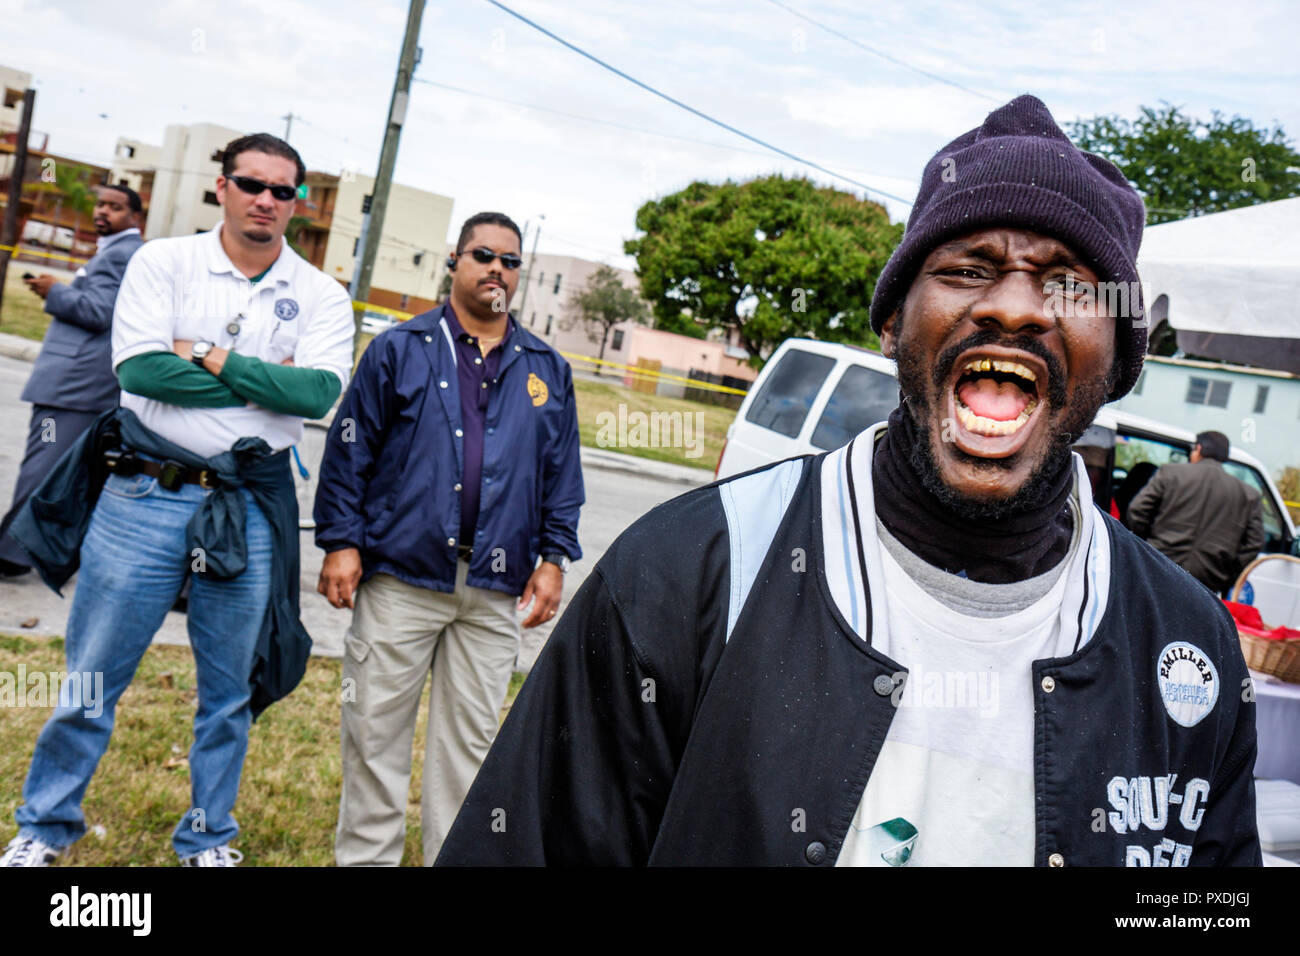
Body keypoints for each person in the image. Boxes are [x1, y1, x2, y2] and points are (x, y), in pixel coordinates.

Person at [436, 95, 1260, 867]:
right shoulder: (685, 572)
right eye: (969, 268)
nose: (1015, 308)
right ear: (895, 317)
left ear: (1118, 358)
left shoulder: (1191, 648)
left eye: (1071, 284)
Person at [1, 133, 355, 868]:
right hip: (142, 495)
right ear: (221, 187)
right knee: (92, 678)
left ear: (298, 203)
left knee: (228, 692)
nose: (265, 199)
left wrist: (206, 352)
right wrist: (262, 378)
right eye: (251, 183)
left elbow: (317, 391)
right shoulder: (165, 261)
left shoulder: (320, 294)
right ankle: (44, 825)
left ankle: (206, 837)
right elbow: (140, 369)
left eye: (282, 190)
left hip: (248, 508)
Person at [314, 211, 584, 866]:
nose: (498, 269)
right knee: (374, 739)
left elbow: (560, 474)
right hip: (402, 580)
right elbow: (350, 451)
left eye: (511, 260)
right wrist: (341, 542)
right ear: (454, 261)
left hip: (494, 593)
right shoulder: (399, 349)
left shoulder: (546, 367)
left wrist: (553, 558)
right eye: (484, 255)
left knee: (471, 753)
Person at [0, 184, 144, 576]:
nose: (103, 212)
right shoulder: (113, 251)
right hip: (72, 387)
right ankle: (44, 550)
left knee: (42, 468)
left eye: (115, 207)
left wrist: (55, 291)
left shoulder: (123, 255)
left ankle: (12, 553)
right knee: (61, 471)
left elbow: (100, 312)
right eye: (100, 204)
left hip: (72, 390)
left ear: (135, 217)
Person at [1127, 430, 1265, 595]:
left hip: (1157, 566)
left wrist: (1148, 546)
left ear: (1198, 449)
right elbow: (1254, 543)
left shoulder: (1170, 473)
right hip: (1207, 582)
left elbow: (1137, 511)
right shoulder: (1248, 495)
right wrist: (1228, 575)